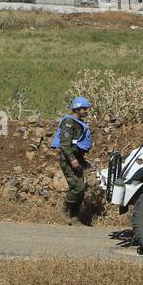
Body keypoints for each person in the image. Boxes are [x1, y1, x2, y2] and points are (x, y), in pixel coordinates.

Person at [53, 96, 92, 225]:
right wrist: (72, 159)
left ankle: (74, 217)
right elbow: (65, 144)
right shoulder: (68, 122)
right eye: (84, 109)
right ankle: (63, 210)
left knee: (81, 189)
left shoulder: (79, 123)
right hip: (68, 160)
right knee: (78, 187)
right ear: (77, 108)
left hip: (78, 159)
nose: (86, 111)